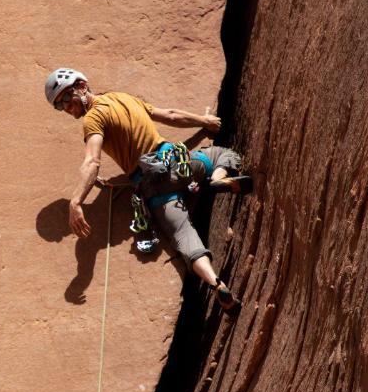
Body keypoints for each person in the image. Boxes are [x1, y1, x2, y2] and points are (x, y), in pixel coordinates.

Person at [45, 67, 247, 311]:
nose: (66, 107)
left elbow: (92, 161)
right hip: (177, 164)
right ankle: (216, 179)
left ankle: (215, 282)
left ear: (82, 86)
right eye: (59, 105)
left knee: (183, 235)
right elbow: (170, 115)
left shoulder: (92, 120)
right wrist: (204, 122)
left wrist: (76, 201)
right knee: (222, 155)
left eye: (67, 97)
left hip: (155, 190)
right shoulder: (123, 98)